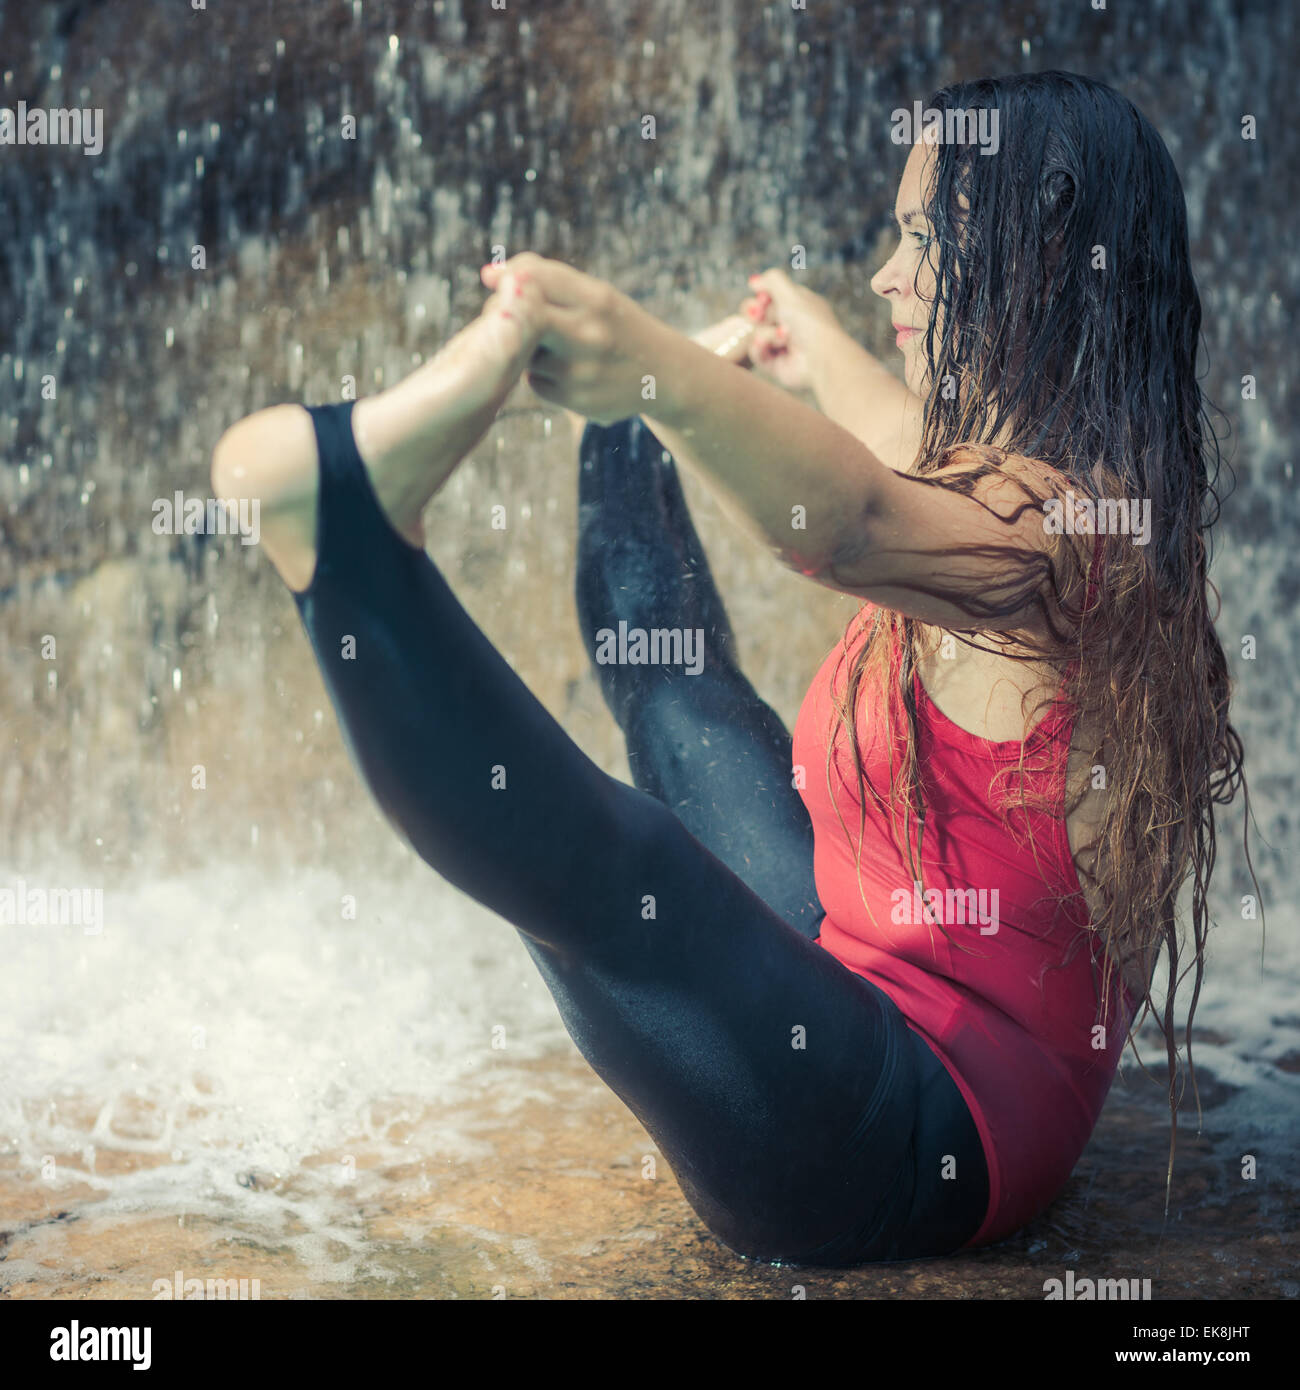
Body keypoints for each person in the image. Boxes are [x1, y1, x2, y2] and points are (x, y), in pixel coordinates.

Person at [211, 71, 1251, 1263]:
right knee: (669, 688)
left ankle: (346, 539)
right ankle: (601, 426)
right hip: (848, 978)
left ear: (1046, 256)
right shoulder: (1026, 478)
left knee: (634, 873)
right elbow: (902, 448)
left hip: (912, 1137)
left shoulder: (1082, 543)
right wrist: (793, 346)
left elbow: (856, 519)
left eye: (925, 240)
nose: (889, 276)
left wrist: (654, 361)